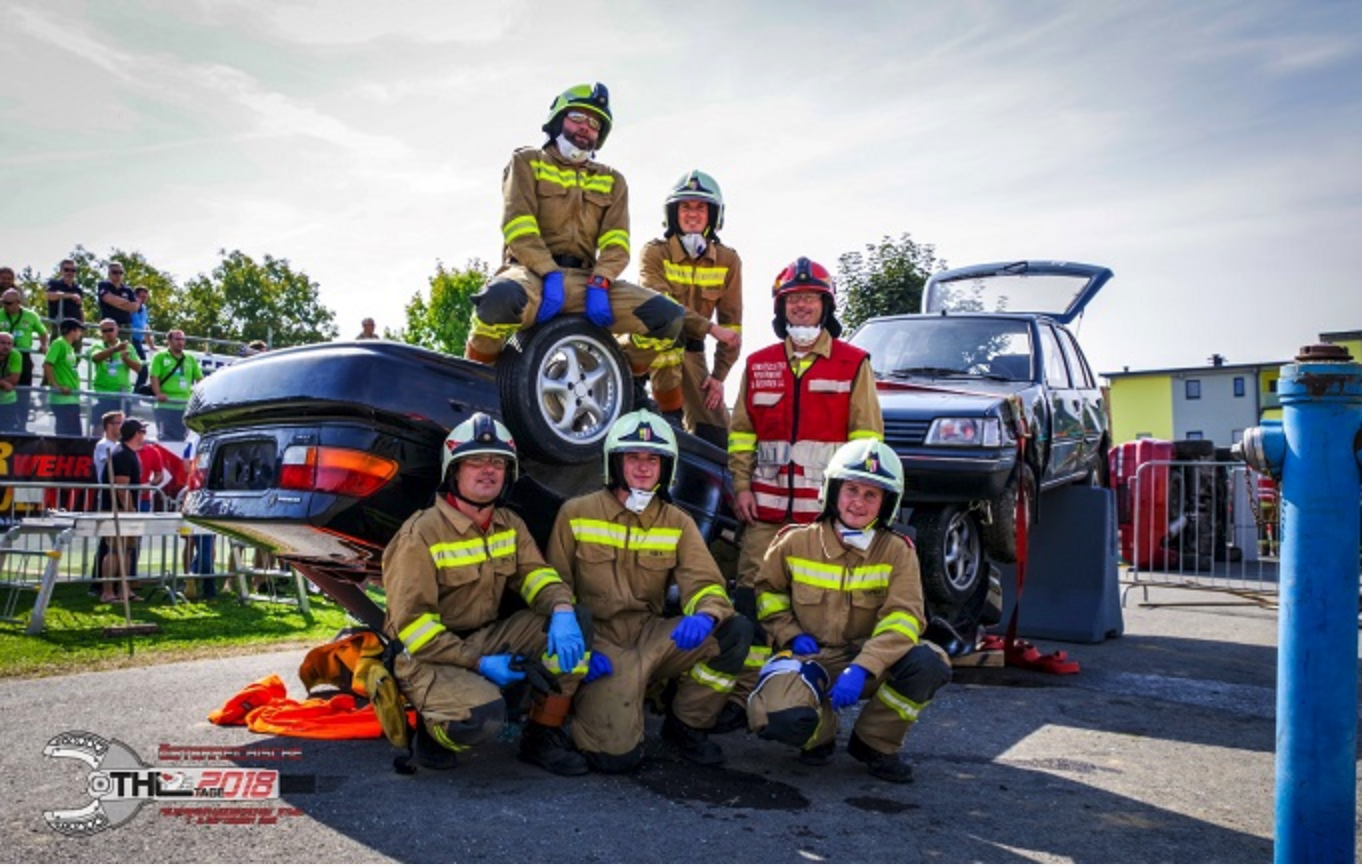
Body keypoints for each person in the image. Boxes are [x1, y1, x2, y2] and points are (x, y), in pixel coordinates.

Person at [716, 257, 884, 732]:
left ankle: (807, 699)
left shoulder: (854, 363)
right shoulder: (759, 365)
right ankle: (745, 696)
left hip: (821, 520)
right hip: (763, 514)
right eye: (793, 299)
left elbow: (867, 443)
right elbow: (742, 435)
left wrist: (850, 513)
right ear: (781, 308)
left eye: (811, 298)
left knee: (813, 608)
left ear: (825, 306)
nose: (802, 306)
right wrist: (742, 487)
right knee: (752, 604)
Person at [380, 413, 592, 775]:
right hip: (428, 656)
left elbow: (538, 577)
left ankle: (543, 735)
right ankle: (432, 730)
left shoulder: (510, 525)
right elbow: (413, 630)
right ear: (454, 472)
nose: (487, 470)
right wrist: (478, 664)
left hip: (484, 639)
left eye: (497, 462)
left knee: (578, 621)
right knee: (481, 719)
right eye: (475, 461)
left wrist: (561, 609)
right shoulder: (421, 534)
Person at [545, 410, 753, 772]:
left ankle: (687, 724)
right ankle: (592, 705)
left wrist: (705, 615)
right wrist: (581, 654)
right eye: (634, 457)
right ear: (615, 462)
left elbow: (705, 583)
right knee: (614, 758)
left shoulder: (678, 521)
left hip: (651, 635)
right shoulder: (576, 513)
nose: (643, 468)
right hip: (603, 643)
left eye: (653, 459)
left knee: (734, 631)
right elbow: (554, 586)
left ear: (666, 468)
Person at [747, 440, 951, 783]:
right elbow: (768, 595)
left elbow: (905, 619)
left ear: (887, 503)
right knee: (774, 717)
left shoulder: (898, 552)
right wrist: (790, 635)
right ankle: (820, 735)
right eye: (851, 489)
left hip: (869, 662)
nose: (858, 502)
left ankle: (874, 743)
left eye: (871, 495)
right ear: (832, 491)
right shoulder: (794, 542)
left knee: (929, 664)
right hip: (808, 658)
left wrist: (862, 667)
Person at [465, 82, 684, 369]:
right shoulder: (527, 161)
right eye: (578, 118)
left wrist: (601, 279)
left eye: (594, 123)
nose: (585, 127)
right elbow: (518, 226)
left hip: (589, 284)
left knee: (668, 317)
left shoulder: (613, 180)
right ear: (558, 119)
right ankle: (477, 375)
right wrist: (548, 272)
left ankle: (621, 377)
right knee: (499, 298)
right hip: (532, 277)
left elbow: (616, 244)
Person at [630, 171, 742, 447]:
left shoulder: (728, 260)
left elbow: (733, 325)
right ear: (673, 213)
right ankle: (661, 414)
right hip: (648, 346)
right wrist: (710, 328)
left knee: (717, 439)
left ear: (714, 215)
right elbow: (664, 308)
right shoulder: (654, 253)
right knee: (668, 330)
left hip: (693, 354)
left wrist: (718, 376)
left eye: (700, 207)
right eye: (685, 207)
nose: (693, 214)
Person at [99, 417, 149, 604]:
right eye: (143, 432)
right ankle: (108, 592)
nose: (144, 436)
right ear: (137, 434)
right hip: (116, 511)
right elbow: (121, 489)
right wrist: (130, 510)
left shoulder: (130, 453)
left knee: (127, 550)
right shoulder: (121, 455)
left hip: (125, 511)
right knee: (113, 549)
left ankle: (124, 590)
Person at [1, 277, 50, 432]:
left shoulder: (30, 315)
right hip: (2, 356)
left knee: (23, 393)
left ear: (18, 303)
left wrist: (44, 345)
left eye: (8, 303)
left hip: (23, 356)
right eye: (3, 302)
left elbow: (43, 332)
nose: (4, 306)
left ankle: (21, 426)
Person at [85, 318, 142, 431]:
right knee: (99, 426)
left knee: (123, 429)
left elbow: (139, 368)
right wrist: (116, 349)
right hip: (102, 393)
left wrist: (126, 359)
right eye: (104, 331)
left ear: (117, 330)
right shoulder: (98, 345)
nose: (108, 333)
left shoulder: (128, 347)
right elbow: (96, 357)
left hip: (122, 395)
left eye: (110, 329)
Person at [148, 329, 203, 441]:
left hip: (184, 406)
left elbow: (199, 379)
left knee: (180, 439)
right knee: (165, 438)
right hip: (165, 405)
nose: (181, 342)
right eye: (177, 339)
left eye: (183, 339)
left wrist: (198, 395)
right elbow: (154, 377)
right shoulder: (160, 356)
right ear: (169, 341)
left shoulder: (190, 358)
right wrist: (158, 393)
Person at [44, 318, 85, 437]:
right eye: (79, 330)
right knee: (65, 436)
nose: (80, 334)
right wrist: (56, 386)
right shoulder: (59, 343)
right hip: (62, 399)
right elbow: (47, 364)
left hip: (71, 397)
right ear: (72, 331)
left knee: (75, 436)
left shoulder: (69, 347)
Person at [96, 263, 139, 332]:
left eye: (121, 272)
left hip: (125, 327)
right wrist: (126, 303)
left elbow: (135, 307)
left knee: (126, 343)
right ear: (109, 274)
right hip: (108, 327)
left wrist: (116, 302)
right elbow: (108, 299)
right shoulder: (103, 285)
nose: (118, 275)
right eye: (115, 272)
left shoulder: (128, 289)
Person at [45, 259, 85, 328]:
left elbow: (80, 309)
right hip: (59, 325)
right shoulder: (54, 284)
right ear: (61, 271)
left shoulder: (78, 289)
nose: (70, 273)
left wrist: (83, 326)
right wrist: (70, 296)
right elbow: (49, 295)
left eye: (73, 270)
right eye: (66, 270)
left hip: (75, 328)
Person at [129, 286, 152, 391]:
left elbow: (145, 326)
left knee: (144, 368)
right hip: (130, 339)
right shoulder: (130, 306)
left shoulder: (144, 308)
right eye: (141, 297)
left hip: (137, 341)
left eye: (145, 297)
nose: (143, 299)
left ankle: (136, 395)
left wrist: (151, 345)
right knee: (141, 368)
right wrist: (135, 303)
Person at [0, 332, 22, 431]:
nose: (6, 346)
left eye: (9, 344)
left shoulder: (16, 355)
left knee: (8, 436)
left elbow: (14, 379)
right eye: (3, 343)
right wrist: (3, 383)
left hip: (8, 401)